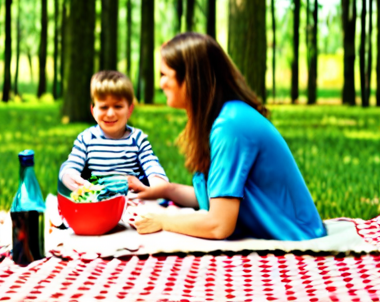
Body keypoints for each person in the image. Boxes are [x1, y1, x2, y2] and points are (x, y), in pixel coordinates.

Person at [133, 32, 326, 241]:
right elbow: (214, 200)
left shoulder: (231, 126)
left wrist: (163, 220)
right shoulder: (225, 118)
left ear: (190, 78)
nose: (161, 83)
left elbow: (218, 224)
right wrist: (166, 190)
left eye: (164, 75)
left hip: (297, 242)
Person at [59, 70, 169, 194]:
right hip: (98, 199)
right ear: (93, 110)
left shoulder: (137, 139)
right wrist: (70, 176)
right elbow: (72, 165)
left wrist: (159, 184)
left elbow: (152, 165)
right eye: (103, 107)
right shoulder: (86, 139)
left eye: (118, 106)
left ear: (129, 109)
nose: (110, 114)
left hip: (131, 200)